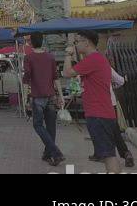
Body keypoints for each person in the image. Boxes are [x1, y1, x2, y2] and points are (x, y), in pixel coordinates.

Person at [62, 31, 122, 173]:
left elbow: (67, 72)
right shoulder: (96, 59)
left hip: (99, 114)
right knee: (109, 154)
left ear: (86, 42)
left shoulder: (93, 59)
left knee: (109, 156)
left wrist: (67, 54)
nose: (76, 45)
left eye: (77, 41)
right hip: (101, 113)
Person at [22, 34, 65, 166]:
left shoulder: (28, 58)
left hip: (38, 96)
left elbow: (27, 77)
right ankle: (48, 154)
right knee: (51, 127)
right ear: (42, 42)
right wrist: (61, 95)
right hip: (51, 95)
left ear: (31, 43)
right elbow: (55, 77)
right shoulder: (50, 57)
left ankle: (55, 152)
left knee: (38, 125)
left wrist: (24, 97)